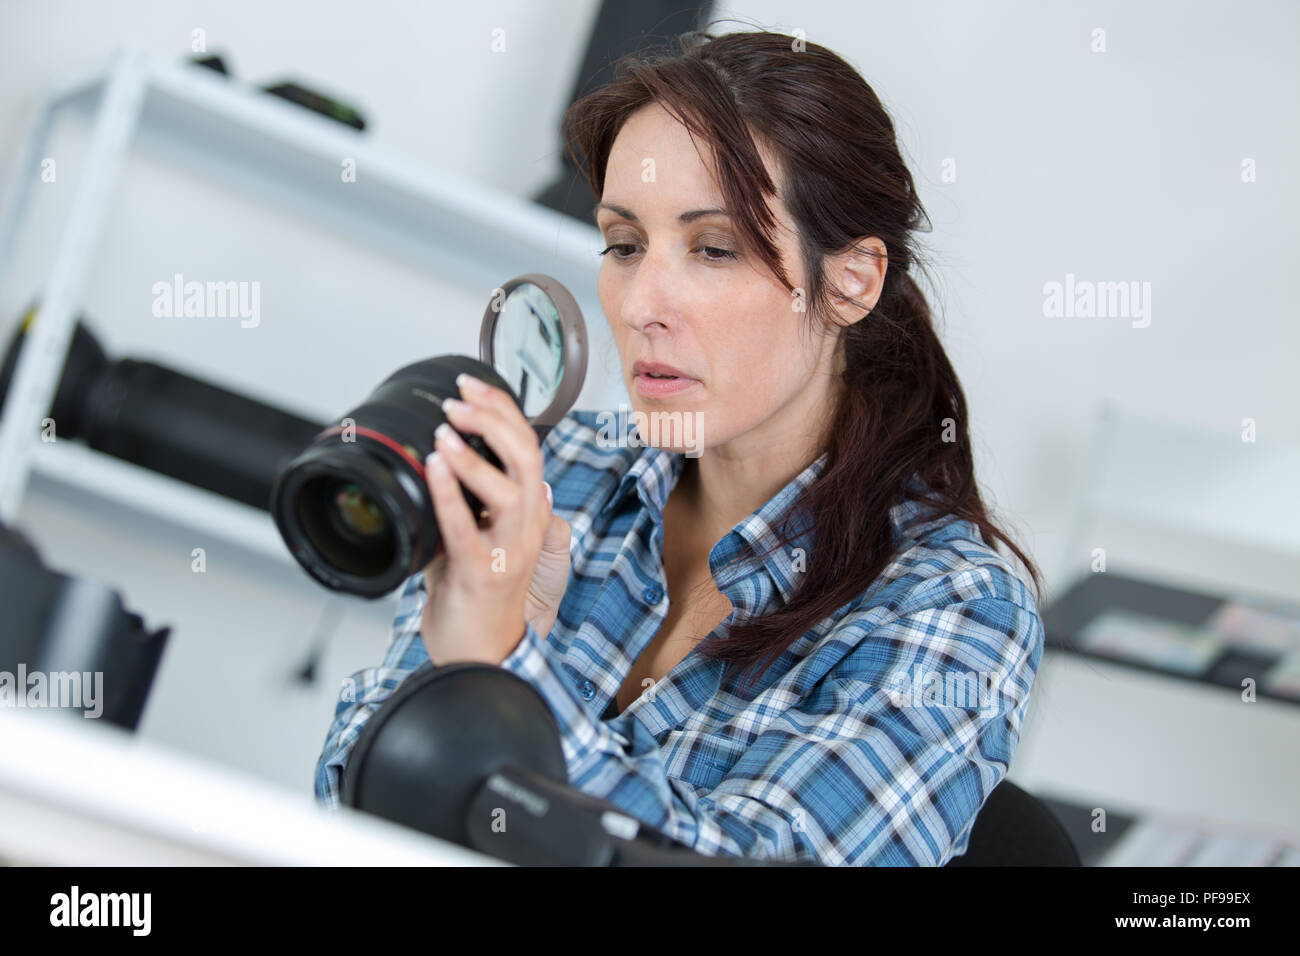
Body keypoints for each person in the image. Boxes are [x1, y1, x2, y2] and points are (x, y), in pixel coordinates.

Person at [314, 28, 1045, 866]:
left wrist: (502, 670)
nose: (640, 305)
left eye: (713, 248)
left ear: (850, 281)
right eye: (624, 245)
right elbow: (345, 797)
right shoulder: (557, 472)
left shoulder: (951, 605)